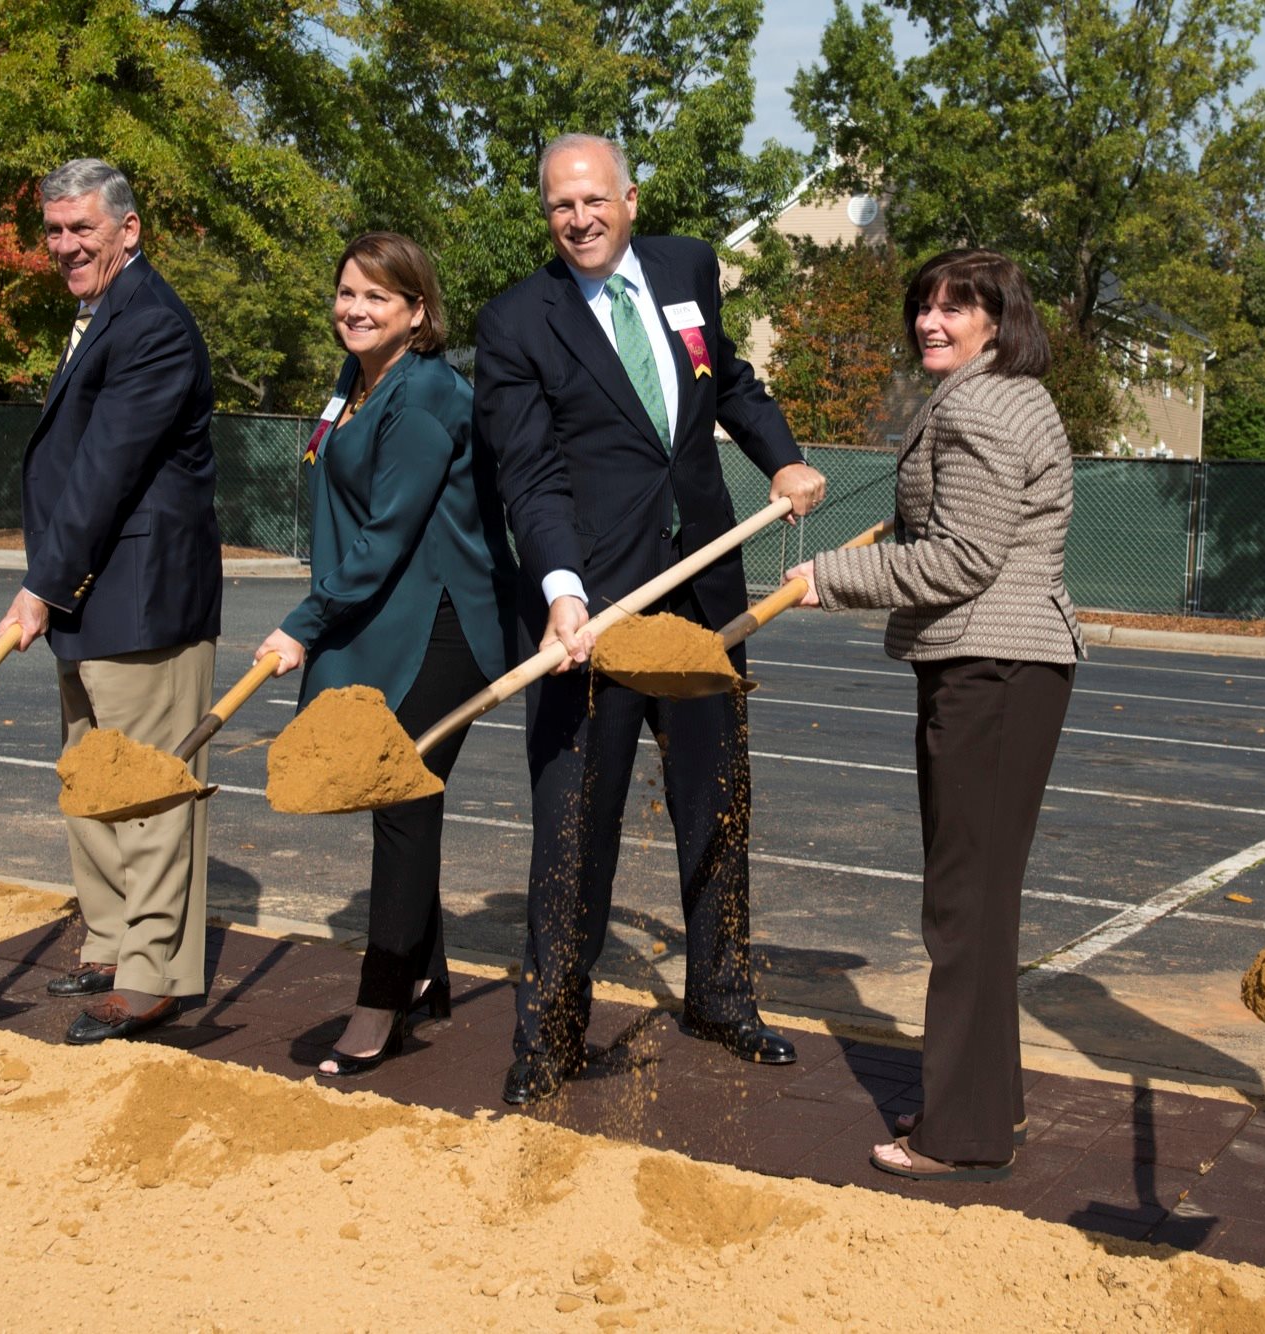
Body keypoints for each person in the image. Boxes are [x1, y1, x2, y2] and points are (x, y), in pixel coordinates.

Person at [473, 132, 827, 1106]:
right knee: (573, 823)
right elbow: (528, 474)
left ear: (629, 199)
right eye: (561, 204)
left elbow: (728, 380)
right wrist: (560, 589)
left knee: (718, 801)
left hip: (703, 591)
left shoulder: (685, 269)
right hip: (591, 608)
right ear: (545, 213)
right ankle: (550, 1035)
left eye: (595, 199)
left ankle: (720, 995)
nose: (579, 217)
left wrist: (780, 456)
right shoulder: (517, 322)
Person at [786, 249, 1081, 1182]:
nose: (931, 322)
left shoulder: (982, 407)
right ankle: (985, 1102)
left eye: (956, 308)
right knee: (979, 902)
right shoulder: (1004, 394)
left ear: (999, 319)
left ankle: (961, 1134)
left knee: (963, 908)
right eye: (924, 306)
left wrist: (831, 579)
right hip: (1000, 666)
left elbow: (962, 559)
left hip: (993, 667)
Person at [255, 232, 517, 1076]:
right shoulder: (356, 382)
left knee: (402, 794)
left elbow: (388, 534)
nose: (356, 309)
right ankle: (425, 972)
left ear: (418, 311)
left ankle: (383, 1002)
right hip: (385, 610)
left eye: (377, 296)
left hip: (446, 617)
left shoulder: (429, 393)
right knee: (393, 796)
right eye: (347, 293)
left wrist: (304, 624)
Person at [0, 158, 223, 1044]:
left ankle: (152, 973)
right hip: (91, 592)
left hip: (144, 596)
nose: (65, 245)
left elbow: (106, 470)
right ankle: (112, 938)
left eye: (81, 228)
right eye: (53, 230)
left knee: (151, 789)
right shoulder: (100, 313)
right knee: (88, 776)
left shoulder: (153, 323)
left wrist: (40, 587)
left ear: (129, 229)